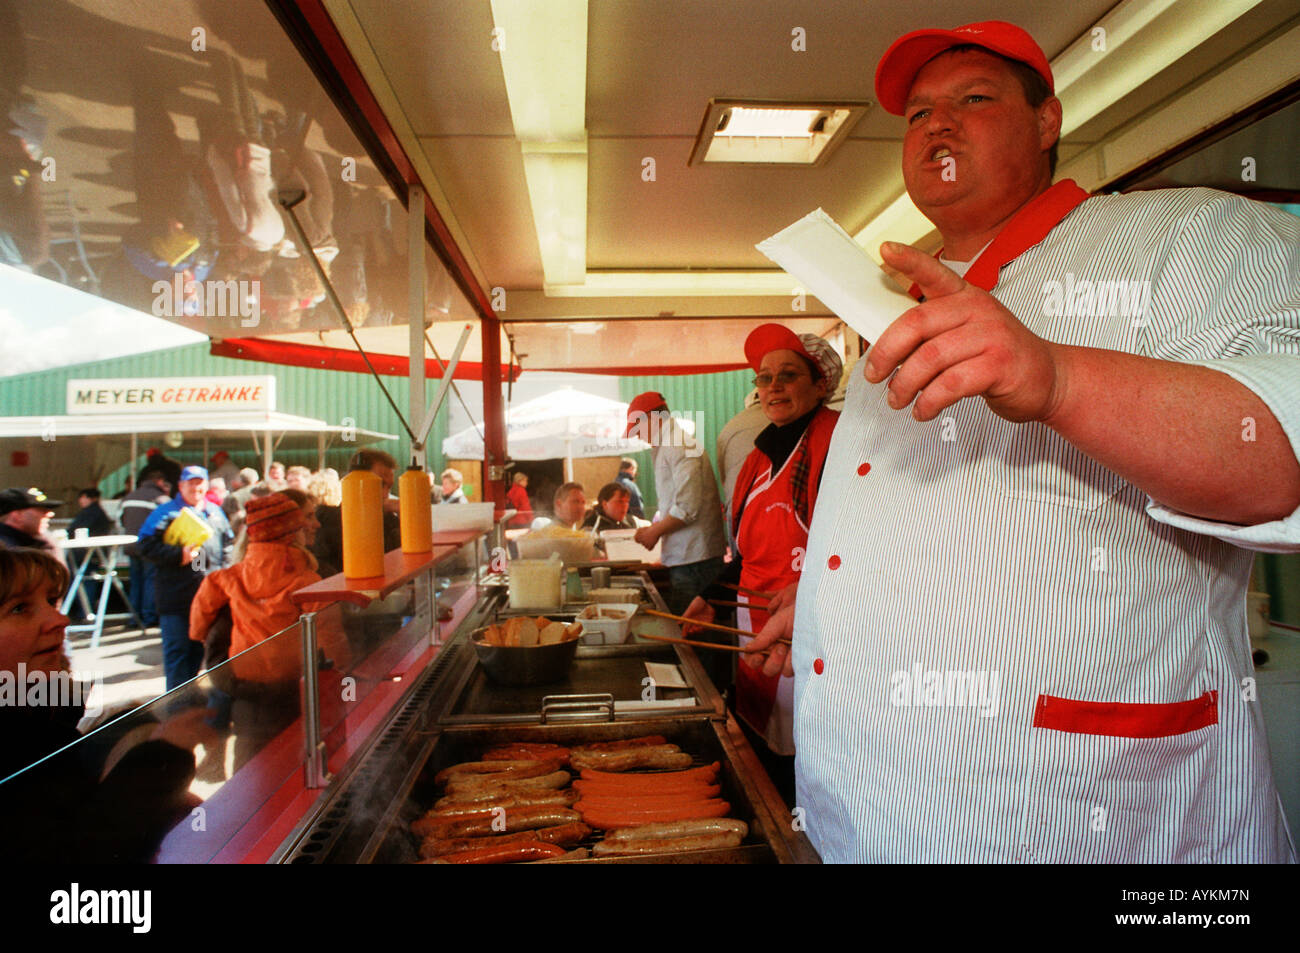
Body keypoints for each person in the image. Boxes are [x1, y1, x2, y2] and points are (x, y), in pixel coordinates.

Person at [745, 20, 1300, 863]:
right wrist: (833, 609)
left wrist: (1059, 379)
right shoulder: (897, 307)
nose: (937, 123)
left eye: (974, 98)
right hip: (865, 812)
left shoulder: (1189, 236)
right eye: (919, 111)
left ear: (1047, 122)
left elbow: (1283, 450)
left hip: (1078, 811)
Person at [684, 328, 841, 774]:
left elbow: (858, 551)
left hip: (803, 631)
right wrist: (711, 597)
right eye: (764, 377)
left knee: (802, 759)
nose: (773, 387)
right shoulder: (759, 455)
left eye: (788, 375)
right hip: (751, 627)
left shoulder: (834, 445)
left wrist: (811, 595)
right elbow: (747, 550)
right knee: (758, 753)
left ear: (820, 383)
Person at [0, 548, 202, 862]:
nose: (60, 619)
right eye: (20, 608)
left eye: (51, 601)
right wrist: (165, 755)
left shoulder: (42, 715)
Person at [190, 491, 334, 769]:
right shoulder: (307, 579)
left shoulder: (226, 579)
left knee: (253, 775)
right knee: (302, 771)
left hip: (248, 695)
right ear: (292, 534)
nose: (311, 526)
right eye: (305, 522)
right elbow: (328, 638)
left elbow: (198, 628)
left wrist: (203, 629)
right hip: (298, 693)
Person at [624, 393, 727, 615]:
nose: (639, 436)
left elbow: (687, 507)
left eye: (638, 429)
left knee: (695, 635)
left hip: (696, 560)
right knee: (691, 633)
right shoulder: (671, 443)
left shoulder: (679, 444)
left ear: (651, 418)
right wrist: (654, 529)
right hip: (689, 558)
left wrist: (654, 532)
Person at [136, 466, 232, 691]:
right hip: (176, 599)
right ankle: (177, 716)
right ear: (180, 486)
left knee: (211, 657)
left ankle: (205, 715)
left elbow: (228, 544)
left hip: (211, 599)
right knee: (179, 656)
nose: (195, 487)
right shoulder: (165, 512)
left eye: (199, 483)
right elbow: (145, 546)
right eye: (190, 483)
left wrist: (225, 574)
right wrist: (178, 555)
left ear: (206, 485)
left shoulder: (216, 513)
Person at [312, 449, 400, 578]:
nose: (385, 494)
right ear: (356, 480)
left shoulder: (389, 520)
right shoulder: (325, 520)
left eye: (389, 487)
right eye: (380, 484)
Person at [121, 468, 171, 628]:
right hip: (150, 546)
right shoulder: (160, 498)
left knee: (135, 582)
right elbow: (170, 523)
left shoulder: (129, 496)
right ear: (160, 482)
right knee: (150, 581)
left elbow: (119, 520)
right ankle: (149, 617)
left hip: (130, 545)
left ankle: (134, 617)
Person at [0, 486, 62, 557]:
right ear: (17, 516)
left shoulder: (36, 542)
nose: (50, 514)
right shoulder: (7, 551)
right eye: (41, 510)